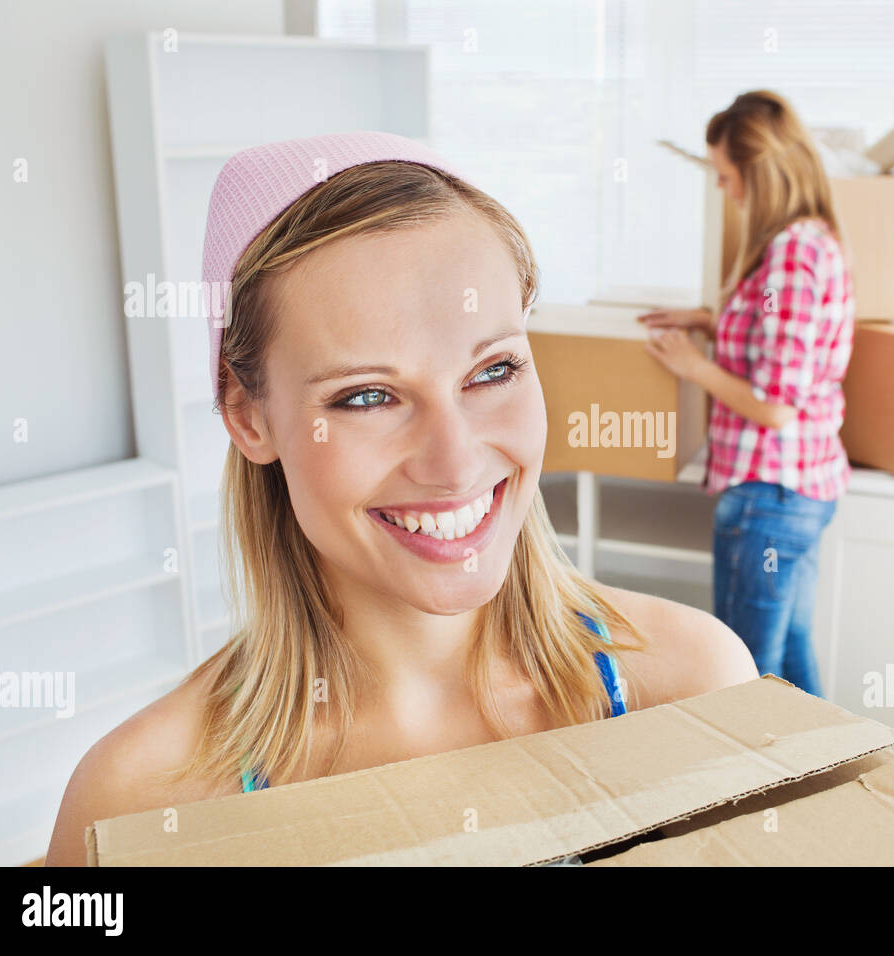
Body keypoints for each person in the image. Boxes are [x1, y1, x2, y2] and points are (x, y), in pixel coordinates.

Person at [45, 131, 757, 865]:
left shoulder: (694, 686)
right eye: (367, 396)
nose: (453, 465)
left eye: (492, 371)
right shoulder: (138, 804)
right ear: (248, 416)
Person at [640, 91, 855, 699]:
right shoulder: (815, 240)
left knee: (743, 680)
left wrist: (692, 364)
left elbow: (775, 403)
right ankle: (836, 781)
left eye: (725, 175)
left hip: (768, 495)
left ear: (758, 173)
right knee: (786, 663)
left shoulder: (787, 256)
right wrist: (715, 321)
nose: (722, 189)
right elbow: (789, 349)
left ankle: (758, 795)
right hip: (802, 490)